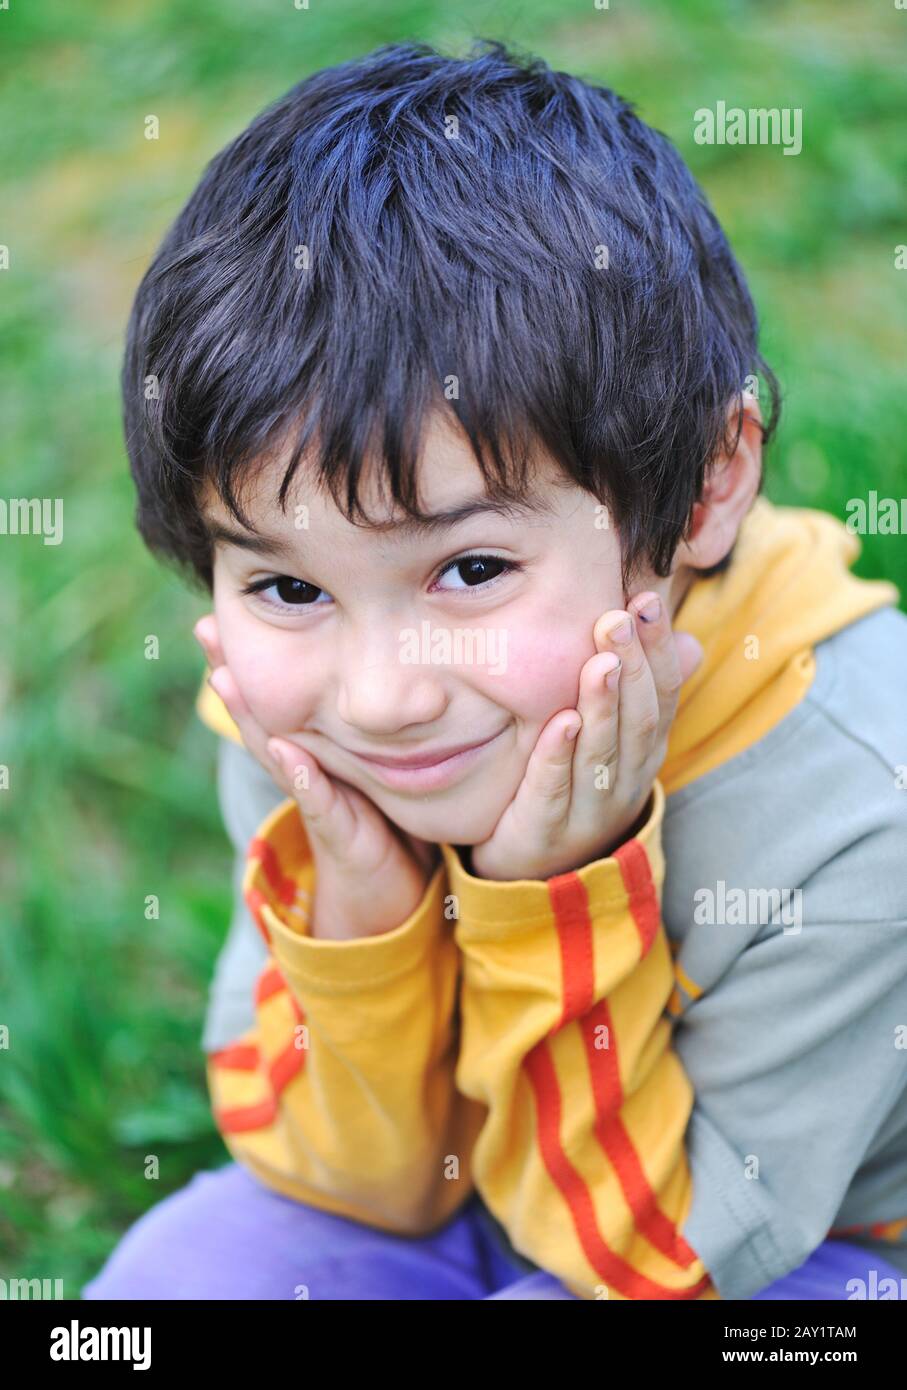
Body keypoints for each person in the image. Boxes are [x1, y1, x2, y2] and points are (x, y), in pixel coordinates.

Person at [84, 38, 907, 1300]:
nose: (381, 694)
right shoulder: (298, 719)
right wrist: (361, 917)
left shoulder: (863, 811)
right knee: (181, 1275)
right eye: (288, 585)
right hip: (487, 1190)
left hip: (794, 1257)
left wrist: (553, 893)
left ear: (703, 486)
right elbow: (342, 1180)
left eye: (467, 570)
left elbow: (665, 1264)